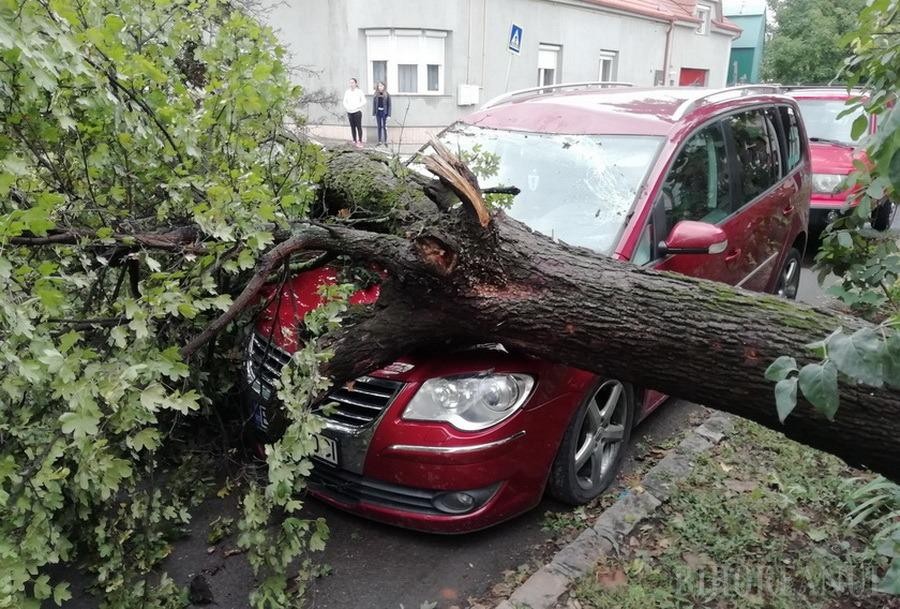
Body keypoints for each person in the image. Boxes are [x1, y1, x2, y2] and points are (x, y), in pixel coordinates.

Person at [342, 78, 366, 148]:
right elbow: (344, 101)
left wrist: (357, 106)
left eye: (352, 83)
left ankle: (360, 141)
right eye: (350, 83)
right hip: (349, 112)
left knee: (358, 127)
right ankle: (354, 140)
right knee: (352, 127)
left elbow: (364, 101)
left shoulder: (359, 91)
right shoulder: (347, 92)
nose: (351, 84)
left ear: (356, 83)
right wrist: (347, 107)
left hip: (357, 112)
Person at [372, 81, 391, 147]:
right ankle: (379, 141)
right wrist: (373, 114)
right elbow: (374, 105)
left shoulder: (387, 94)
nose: (380, 87)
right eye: (379, 86)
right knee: (379, 127)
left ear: (384, 86)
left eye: (382, 86)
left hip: (384, 113)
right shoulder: (375, 94)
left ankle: (385, 141)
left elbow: (389, 105)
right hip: (378, 113)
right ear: (378, 87)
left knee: (384, 127)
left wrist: (389, 115)